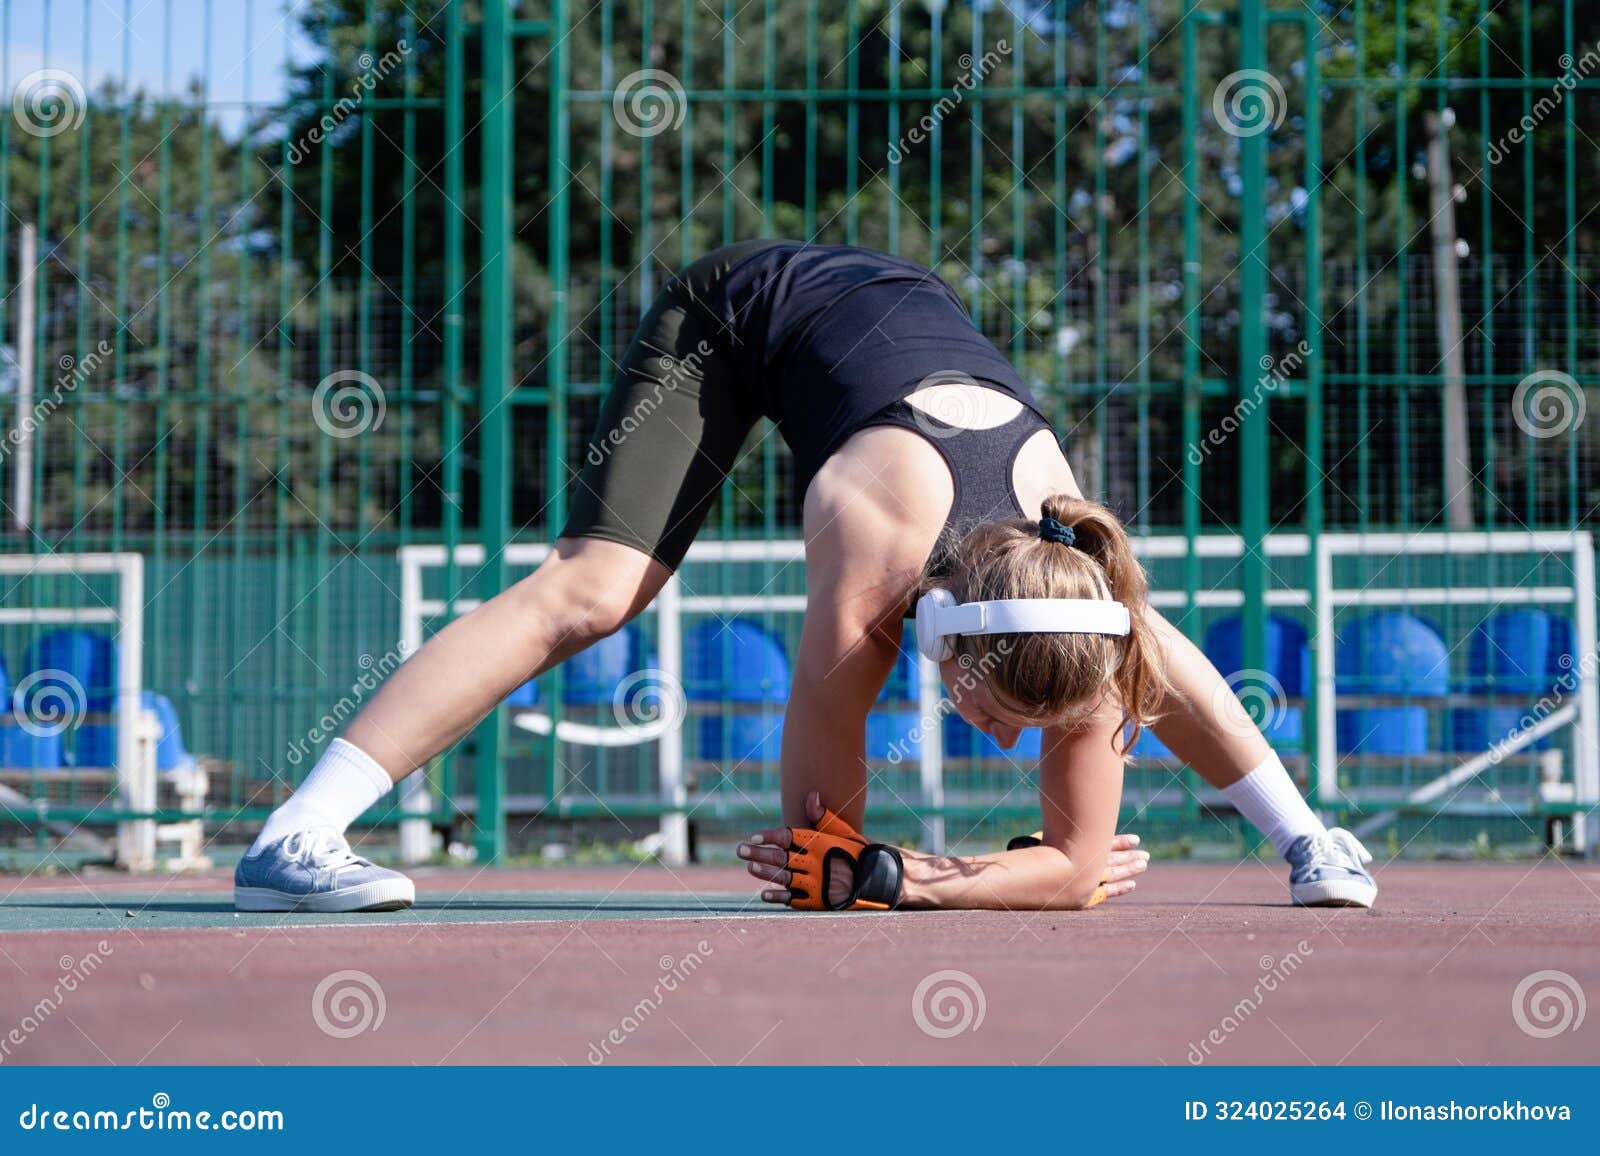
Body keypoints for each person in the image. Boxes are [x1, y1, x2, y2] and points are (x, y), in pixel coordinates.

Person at [233, 239, 1376, 914]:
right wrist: (914, 876)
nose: (1005, 745)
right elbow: (817, 866)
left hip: (899, 323)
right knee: (595, 589)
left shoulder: (1074, 597)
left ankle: (1310, 841)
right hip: (733, 317)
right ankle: (296, 836)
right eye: (995, 715)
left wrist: (919, 882)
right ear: (950, 644)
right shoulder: (875, 569)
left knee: (1147, 641)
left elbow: (1070, 868)